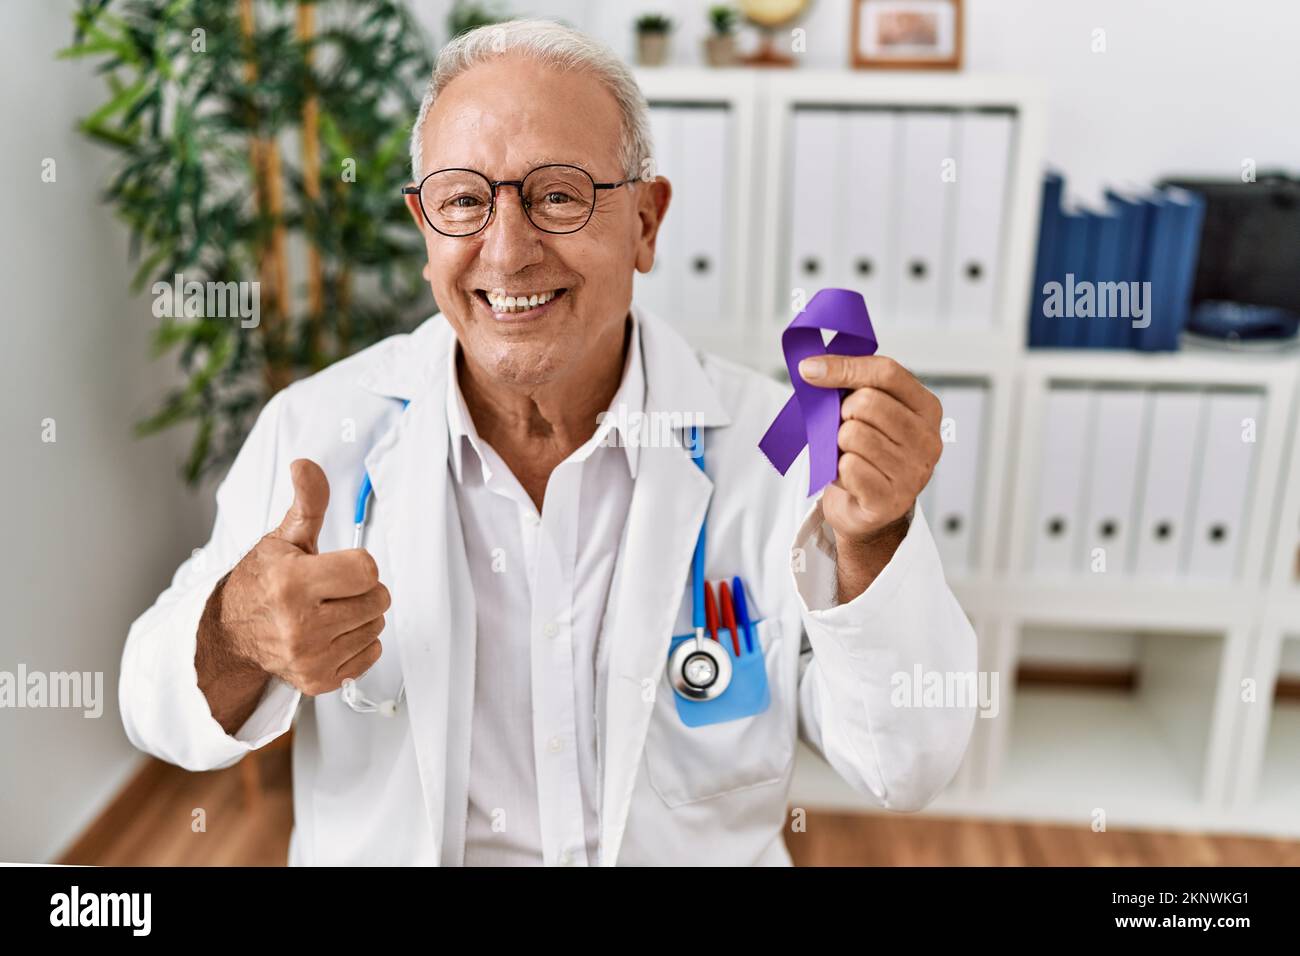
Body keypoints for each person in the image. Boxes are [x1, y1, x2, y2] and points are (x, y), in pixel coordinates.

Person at [120, 19, 976, 866]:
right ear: (425, 230)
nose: (509, 248)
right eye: (463, 200)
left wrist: (870, 540)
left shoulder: (781, 451)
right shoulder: (317, 431)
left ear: (646, 221)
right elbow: (149, 703)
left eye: (558, 194)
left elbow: (908, 766)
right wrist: (239, 632)